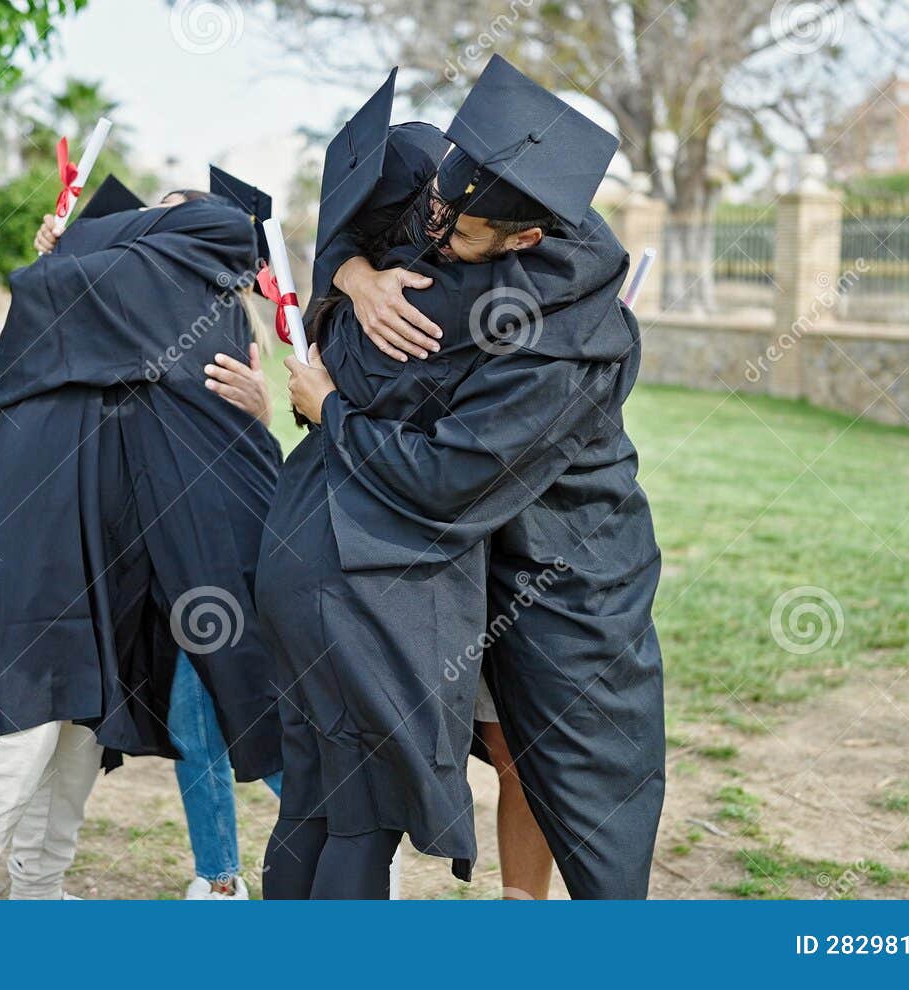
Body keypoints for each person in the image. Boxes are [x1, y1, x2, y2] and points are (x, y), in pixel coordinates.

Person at [254, 65, 639, 898]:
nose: (429, 241)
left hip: (541, 547)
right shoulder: (430, 191)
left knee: (536, 751)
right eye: (432, 209)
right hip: (409, 563)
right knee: (377, 797)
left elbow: (450, 477)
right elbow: (352, 211)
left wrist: (329, 409)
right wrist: (355, 277)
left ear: (525, 238)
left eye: (456, 236)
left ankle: (525, 916)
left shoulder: (557, 332)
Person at [0, 173, 284, 900]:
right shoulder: (93, 306)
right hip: (32, 554)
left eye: (161, 218)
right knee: (17, 733)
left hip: (97, 563)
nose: (146, 227)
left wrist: (80, 244)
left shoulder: (182, 309)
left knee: (77, 727)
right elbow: (70, 287)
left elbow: (220, 239)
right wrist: (70, 250)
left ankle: (39, 892)